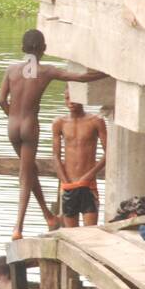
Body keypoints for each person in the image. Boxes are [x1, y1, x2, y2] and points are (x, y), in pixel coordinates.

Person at [0, 29, 106, 238]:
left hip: (12, 126)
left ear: (22, 49)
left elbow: (1, 100)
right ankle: (17, 227)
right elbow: (81, 78)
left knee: (30, 170)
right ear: (44, 49)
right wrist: (108, 73)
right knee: (25, 174)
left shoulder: (11, 70)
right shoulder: (47, 71)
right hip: (30, 126)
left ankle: (48, 215)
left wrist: (11, 115)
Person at [52, 86, 108, 227]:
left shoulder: (95, 121)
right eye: (67, 98)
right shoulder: (59, 123)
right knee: (71, 234)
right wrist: (65, 182)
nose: (71, 102)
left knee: (90, 231)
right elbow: (56, 156)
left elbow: (109, 153)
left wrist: (89, 176)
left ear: (82, 98)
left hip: (88, 184)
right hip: (68, 183)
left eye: (74, 98)